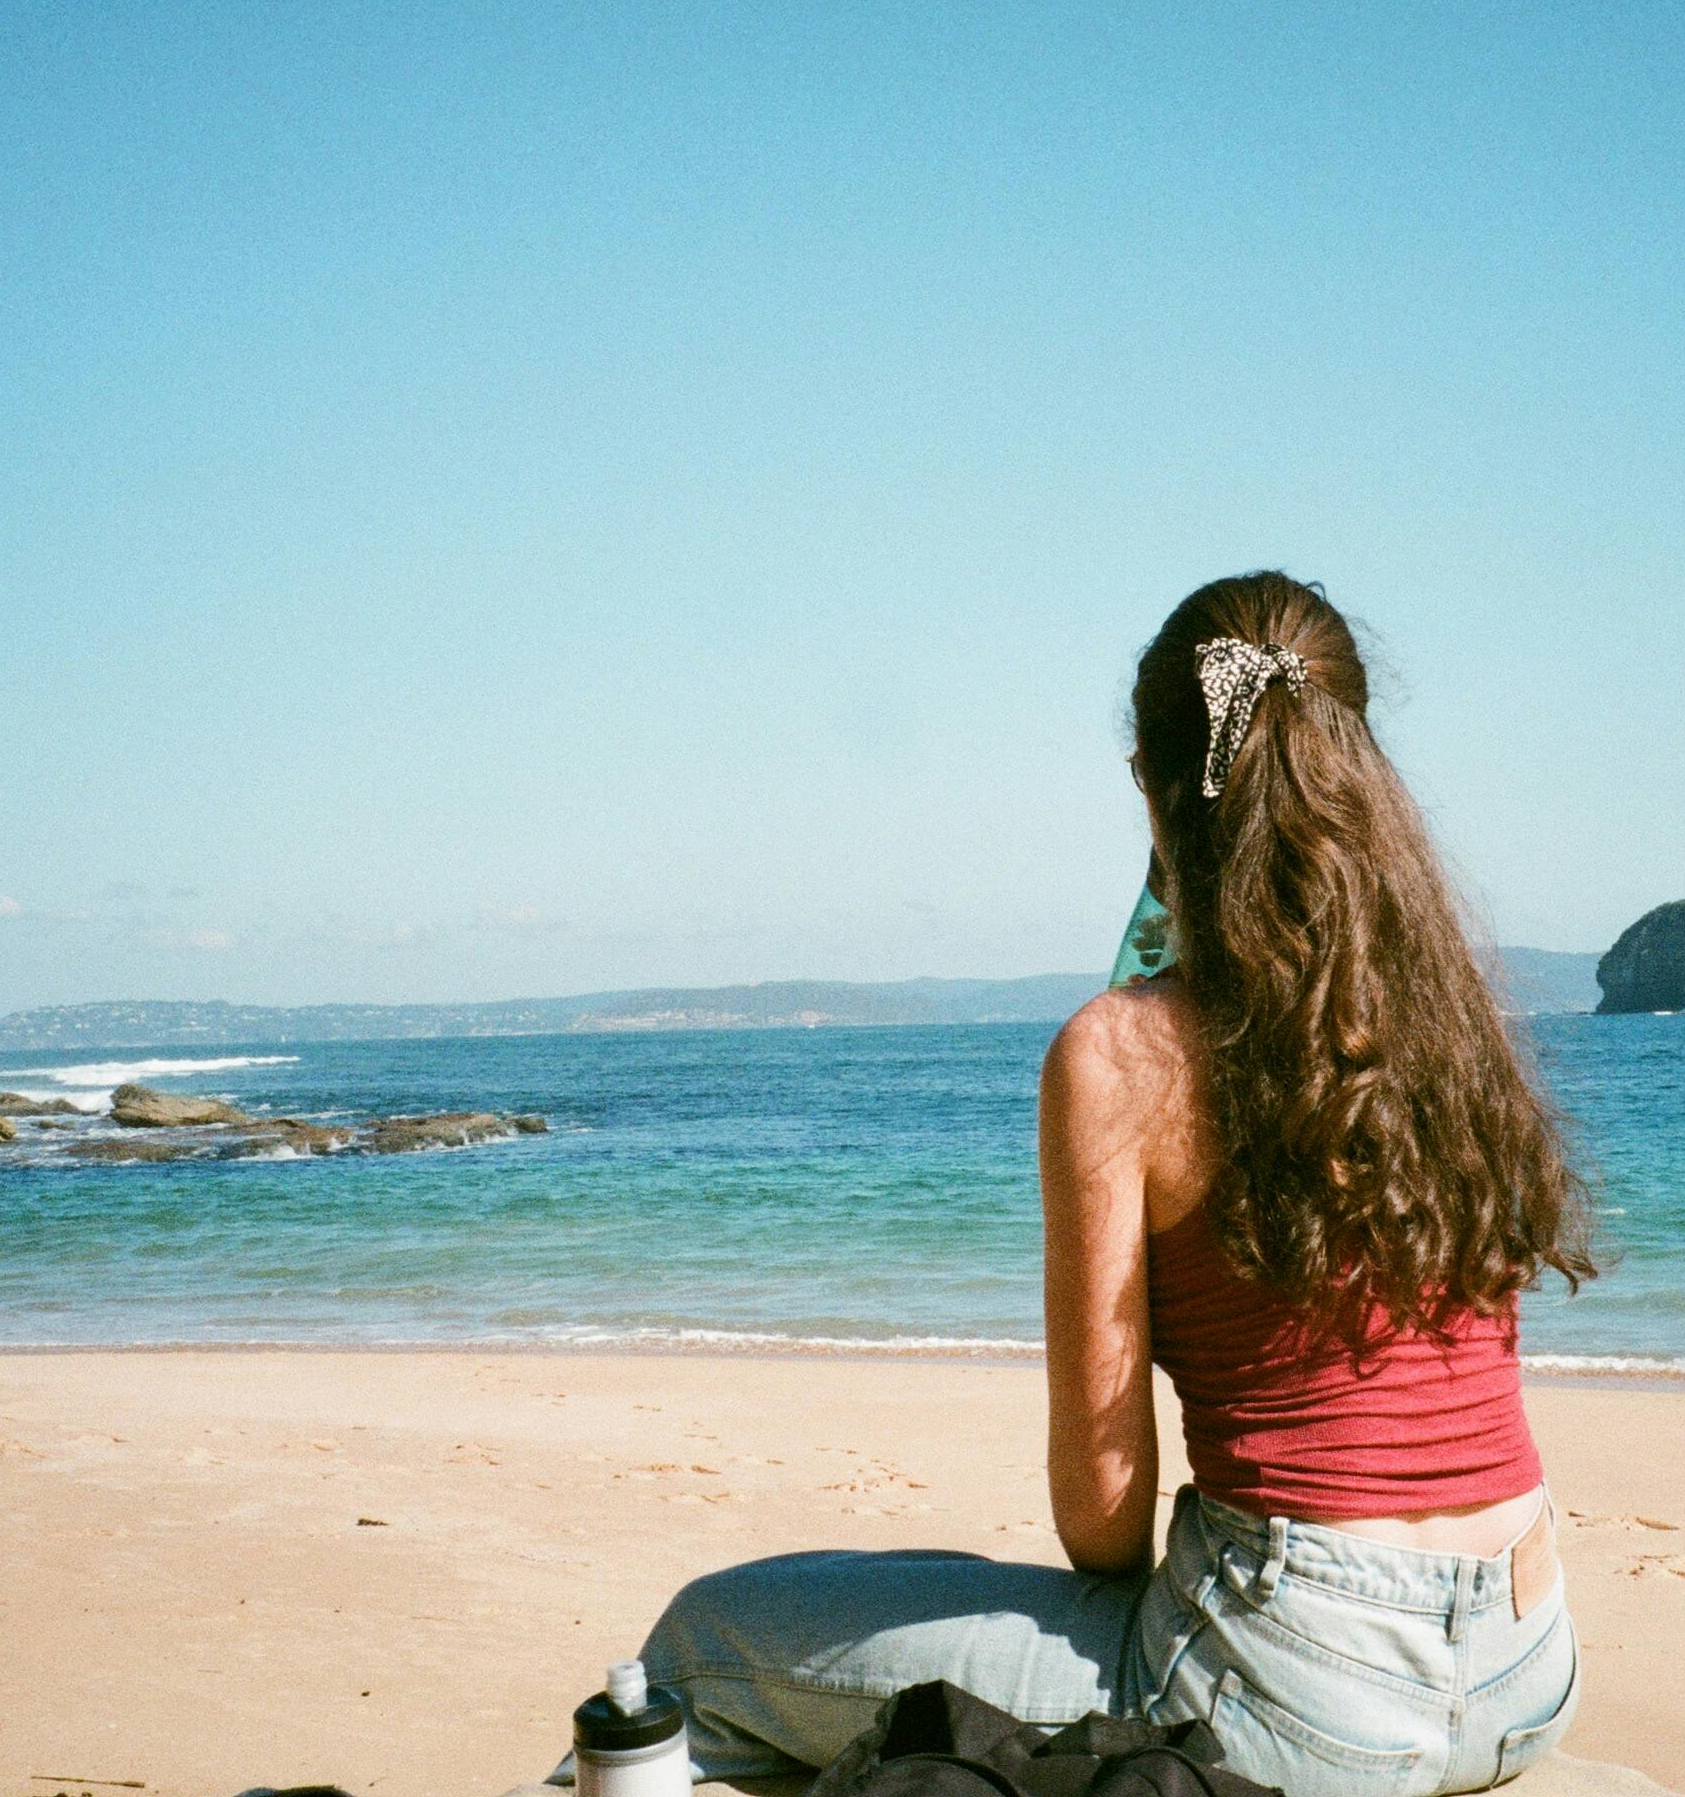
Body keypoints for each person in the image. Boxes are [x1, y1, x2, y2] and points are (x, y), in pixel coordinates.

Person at [567, 572, 1600, 1797]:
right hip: (1527, 1656)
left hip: (1295, 1679)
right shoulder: (1455, 1016)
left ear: (1148, 784)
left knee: (705, 1641)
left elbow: (1101, 1520)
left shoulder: (1119, 1052)